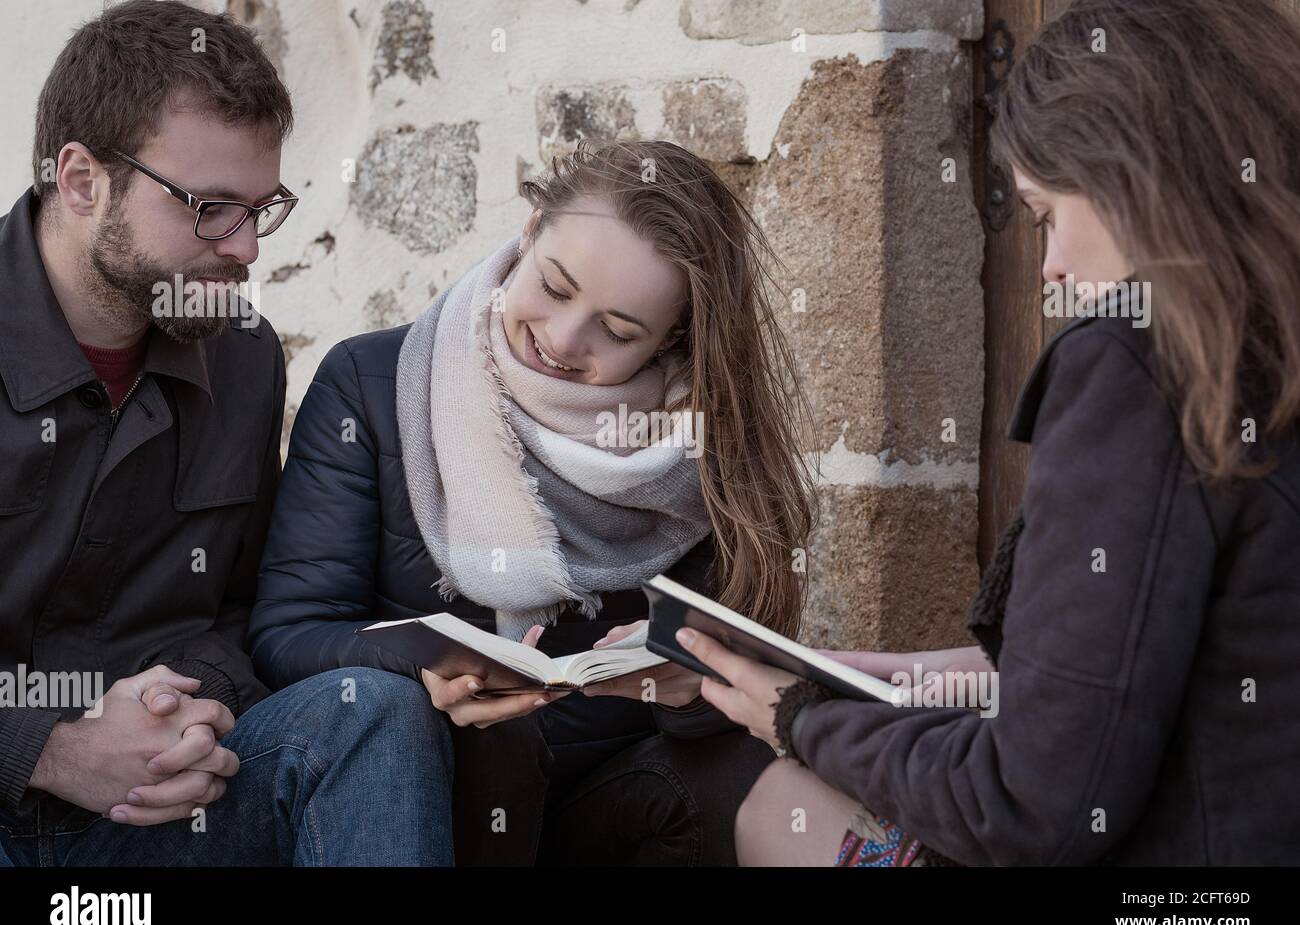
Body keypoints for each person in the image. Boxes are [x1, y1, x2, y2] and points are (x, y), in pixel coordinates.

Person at [700, 0, 1300, 866]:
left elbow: (1025, 805)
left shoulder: (1143, 366)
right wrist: (900, 678)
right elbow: (1158, 659)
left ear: (1124, 167)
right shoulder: (1262, 353)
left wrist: (800, 719)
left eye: (1047, 213)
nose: (1050, 267)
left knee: (768, 807)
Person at [250, 139, 815, 864]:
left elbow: (748, 684)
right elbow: (288, 633)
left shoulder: (698, 438)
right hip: (426, 795)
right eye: (553, 285)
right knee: (484, 744)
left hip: (605, 803)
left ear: (672, 337)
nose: (562, 338)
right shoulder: (371, 382)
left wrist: (689, 690)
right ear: (531, 230)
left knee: (756, 774)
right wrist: (422, 671)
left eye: (617, 331)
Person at [0, 0, 452, 867]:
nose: (247, 250)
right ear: (83, 180)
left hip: (157, 813)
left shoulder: (243, 359)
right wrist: (51, 747)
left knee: (371, 714)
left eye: (262, 207)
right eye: (210, 208)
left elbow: (245, 606)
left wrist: (182, 717)